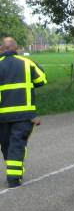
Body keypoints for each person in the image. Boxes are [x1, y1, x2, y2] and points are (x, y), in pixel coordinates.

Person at [0, 37, 47, 187]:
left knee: (7, 145)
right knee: (17, 144)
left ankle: (14, 174)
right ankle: (14, 177)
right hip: (24, 115)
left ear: (2, 49)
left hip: (2, 116)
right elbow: (42, 80)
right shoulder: (27, 63)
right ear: (17, 48)